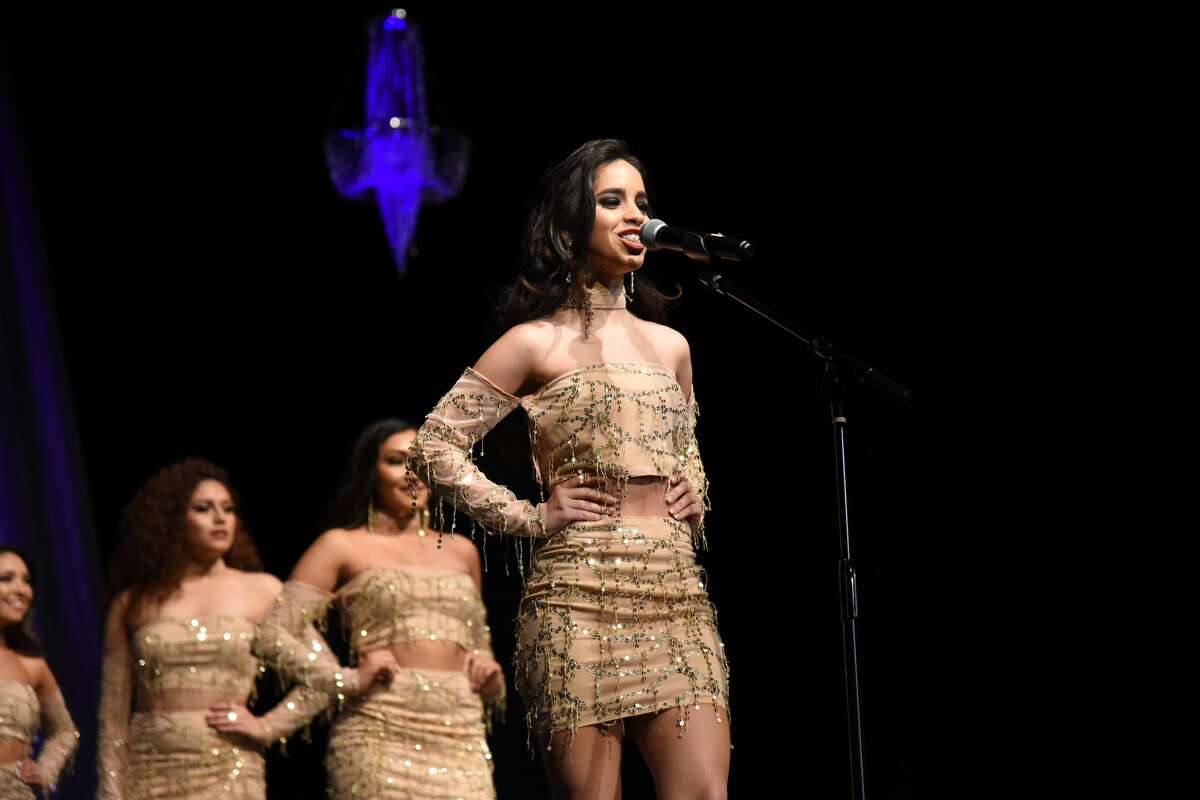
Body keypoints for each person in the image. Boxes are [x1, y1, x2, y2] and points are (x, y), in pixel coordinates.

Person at [408, 139, 730, 799]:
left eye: (641, 202)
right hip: (577, 597)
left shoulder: (672, 346)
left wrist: (694, 492)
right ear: (566, 228)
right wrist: (527, 516)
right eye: (611, 201)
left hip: (674, 594)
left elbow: (687, 447)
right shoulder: (535, 342)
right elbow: (436, 442)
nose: (633, 215)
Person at [96, 459, 391, 799]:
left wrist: (266, 727)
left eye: (228, 509)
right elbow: (112, 716)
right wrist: (109, 790)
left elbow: (323, 679)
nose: (220, 518)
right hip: (147, 770)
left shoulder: (261, 590)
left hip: (228, 767)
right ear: (173, 520)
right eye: (204, 509)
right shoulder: (132, 603)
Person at [256, 420, 504, 799]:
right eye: (396, 461)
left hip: (460, 735)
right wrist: (344, 679)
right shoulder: (341, 546)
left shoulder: (461, 551)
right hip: (378, 730)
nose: (412, 475)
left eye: (423, 463)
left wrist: (490, 677)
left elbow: (477, 647)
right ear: (370, 473)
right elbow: (272, 634)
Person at [0, 546, 79, 799]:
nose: (21, 590)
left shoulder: (32, 665)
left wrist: (45, 771)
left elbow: (64, 732)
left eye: (27, 581)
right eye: (6, 579)